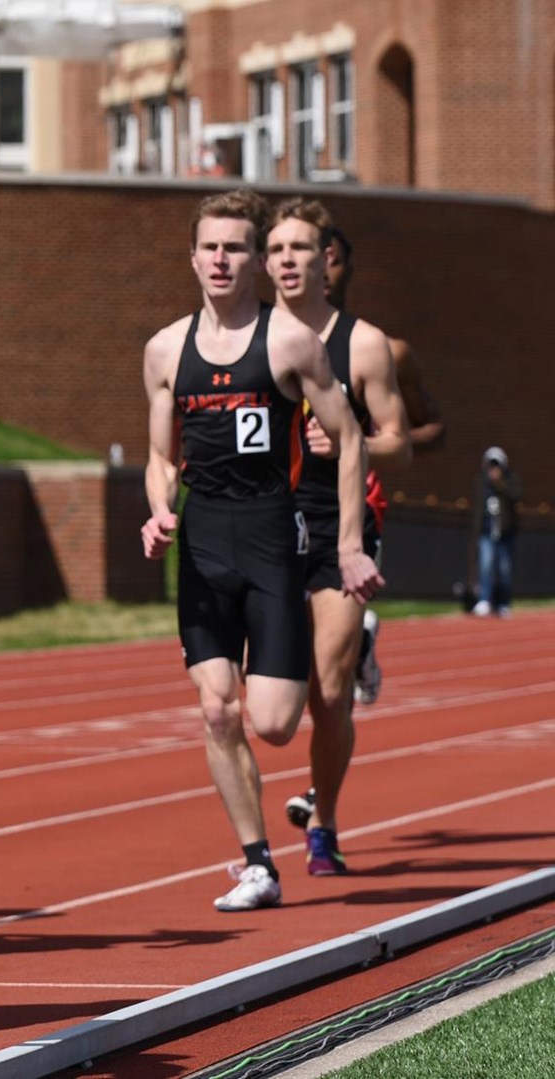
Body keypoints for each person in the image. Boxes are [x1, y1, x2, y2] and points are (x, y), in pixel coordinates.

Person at [141, 188, 381, 913]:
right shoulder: (165, 349)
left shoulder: (290, 341)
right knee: (218, 710)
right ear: (193, 258)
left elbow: (351, 439)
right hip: (203, 542)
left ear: (254, 261)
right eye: (209, 247)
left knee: (274, 723)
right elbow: (161, 455)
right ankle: (258, 864)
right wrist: (158, 509)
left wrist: (349, 546)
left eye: (235, 247)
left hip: (273, 537)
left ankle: (352, 646)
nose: (221, 259)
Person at [262, 198, 409, 877]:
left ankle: (323, 822)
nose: (287, 261)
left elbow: (400, 444)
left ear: (326, 260)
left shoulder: (365, 343)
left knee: (327, 693)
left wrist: (352, 440)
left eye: (300, 248)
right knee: (272, 704)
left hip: (337, 524)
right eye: (276, 249)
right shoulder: (244, 338)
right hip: (263, 524)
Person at [322, 226, 446, 705]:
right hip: (281, 500)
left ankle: (353, 644)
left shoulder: (384, 351)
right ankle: (358, 639)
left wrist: (363, 446)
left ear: (349, 270)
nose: (321, 270)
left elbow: (433, 429)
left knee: (327, 681)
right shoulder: (267, 346)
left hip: (356, 503)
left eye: (332, 259)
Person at [472, 446, 521, 617]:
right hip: (486, 532)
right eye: (491, 465)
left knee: (504, 569)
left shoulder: (511, 481)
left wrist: (500, 484)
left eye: (496, 465)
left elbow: (516, 496)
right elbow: (477, 510)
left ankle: (503, 603)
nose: (493, 469)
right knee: (485, 566)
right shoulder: (481, 483)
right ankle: (484, 600)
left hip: (505, 533)